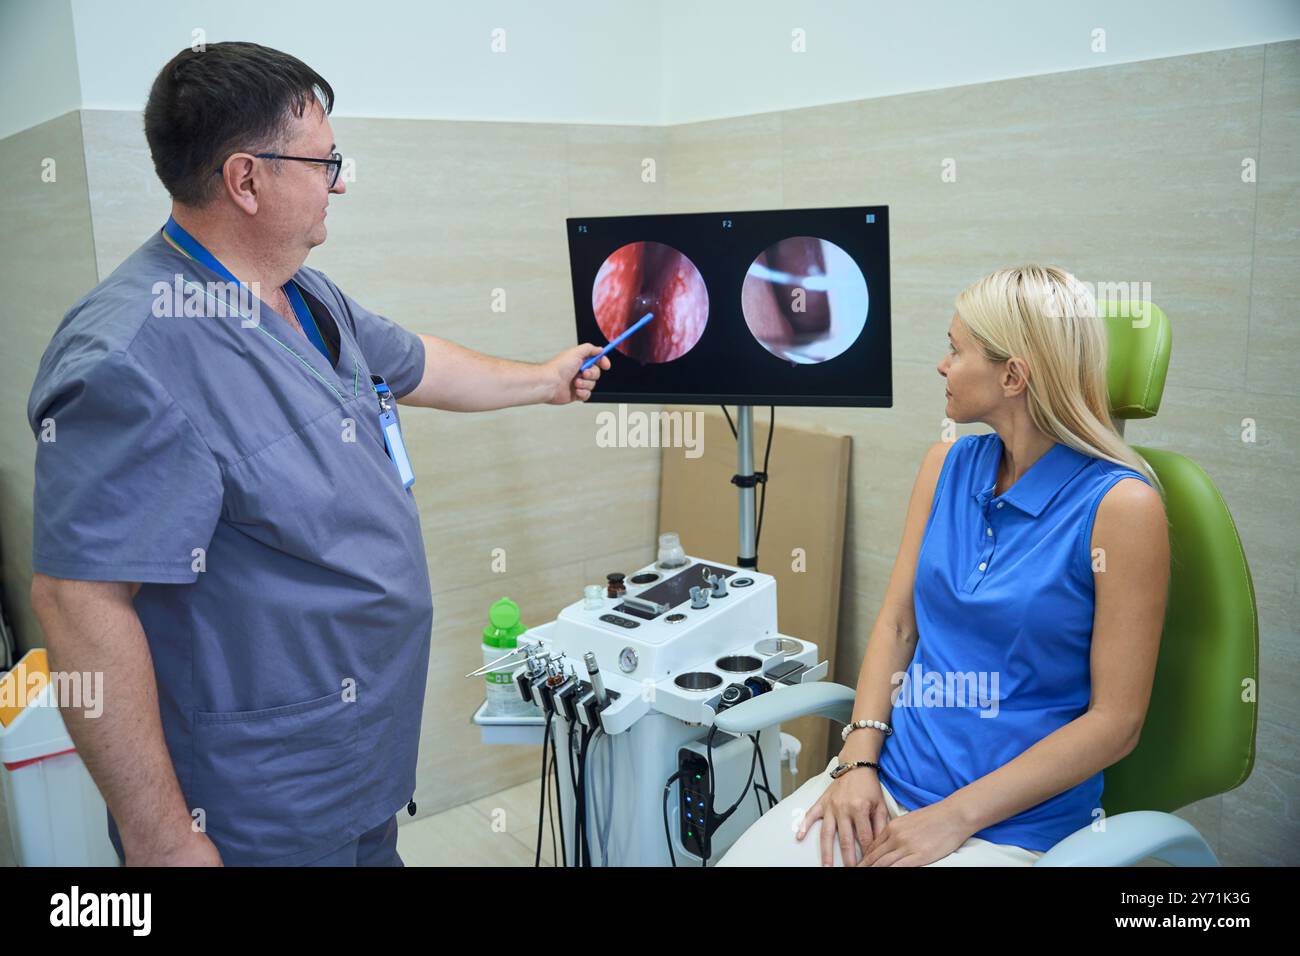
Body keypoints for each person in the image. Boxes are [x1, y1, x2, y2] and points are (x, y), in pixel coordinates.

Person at [26, 41, 611, 867]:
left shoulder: (303, 293)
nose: (341, 179)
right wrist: (163, 842)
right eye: (324, 160)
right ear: (246, 179)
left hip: (356, 768)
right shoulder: (132, 357)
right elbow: (75, 602)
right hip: (254, 812)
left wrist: (544, 380)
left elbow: (416, 362)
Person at [719, 265, 1170, 867]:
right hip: (884, 783)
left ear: (1013, 375)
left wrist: (954, 818)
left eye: (955, 351)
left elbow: (1117, 723)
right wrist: (857, 761)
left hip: (1009, 826)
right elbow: (898, 626)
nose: (941, 365)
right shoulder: (946, 465)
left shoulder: (1121, 508)